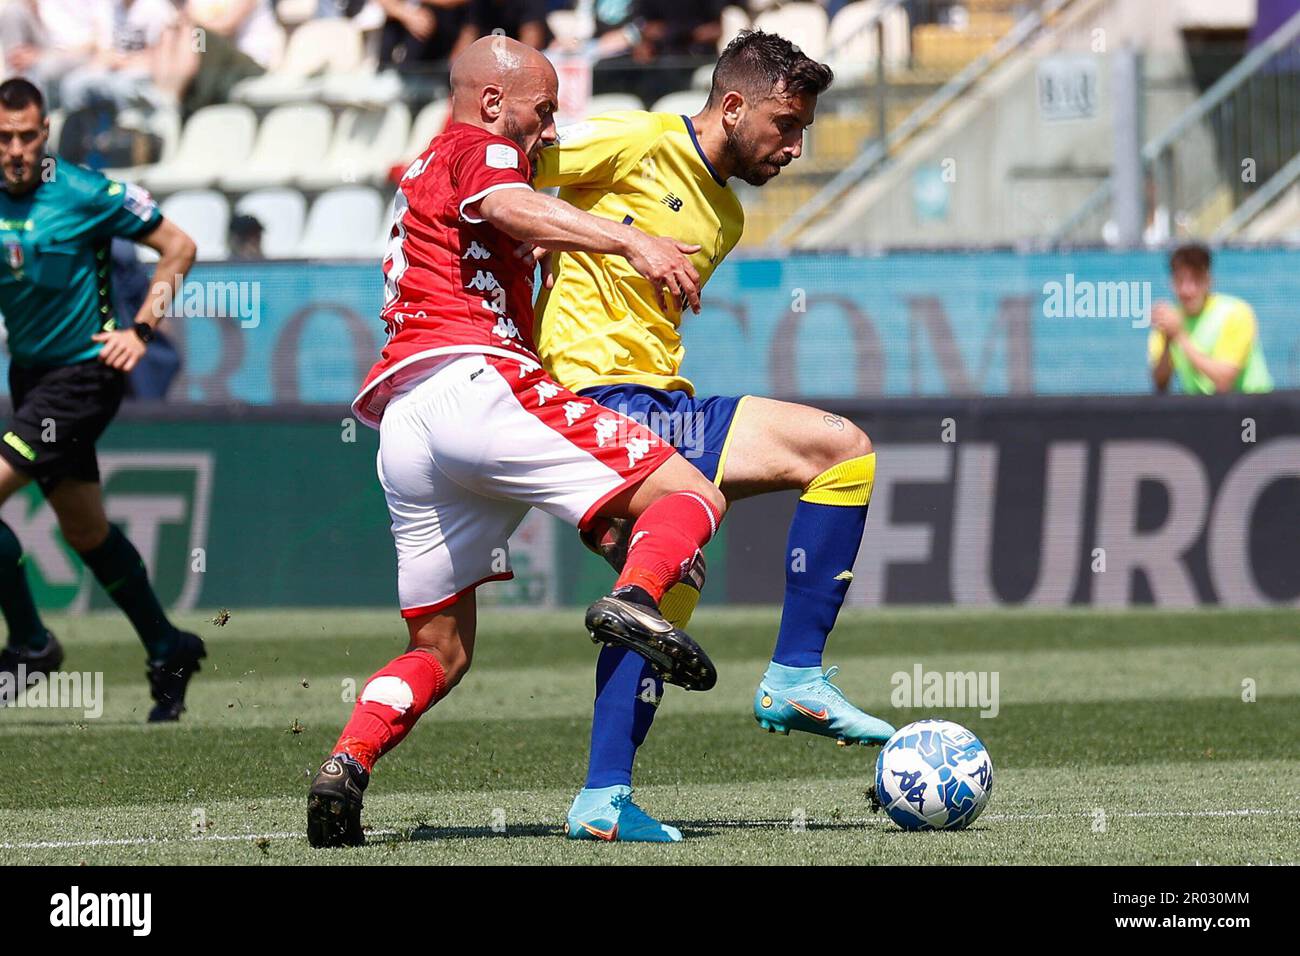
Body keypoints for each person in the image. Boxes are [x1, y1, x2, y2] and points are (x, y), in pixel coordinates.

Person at [306, 35, 733, 848]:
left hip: (408, 426)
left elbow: (485, 229)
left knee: (439, 650)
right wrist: (632, 237)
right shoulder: (483, 146)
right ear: (494, 102)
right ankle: (637, 601)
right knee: (692, 493)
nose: (546, 134)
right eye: (541, 114)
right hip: (477, 386)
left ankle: (346, 762)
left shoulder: (429, 166)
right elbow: (504, 201)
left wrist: (532, 244)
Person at [530, 29, 895, 842]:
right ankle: (795, 674)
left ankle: (601, 799)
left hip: (647, 404)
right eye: (786, 124)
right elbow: (499, 179)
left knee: (664, 595)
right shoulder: (639, 139)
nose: (796, 147)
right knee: (841, 449)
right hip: (605, 399)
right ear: (732, 106)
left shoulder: (723, 212)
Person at [0, 78, 205, 719]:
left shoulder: (86, 191)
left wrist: (142, 328)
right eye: (4, 138)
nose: (16, 149)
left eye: (28, 136)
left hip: (84, 378)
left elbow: (180, 247)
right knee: (86, 530)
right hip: (30, 379)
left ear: (46, 133)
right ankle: (168, 645)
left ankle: (32, 644)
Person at [1150, 243, 1273, 395]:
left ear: (1208, 281)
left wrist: (1180, 336)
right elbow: (1160, 384)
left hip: (1253, 409)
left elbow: (1224, 380)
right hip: (1202, 411)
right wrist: (1168, 341)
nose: (1187, 289)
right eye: (1180, 280)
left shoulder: (1236, 312)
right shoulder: (1169, 320)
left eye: (1196, 280)